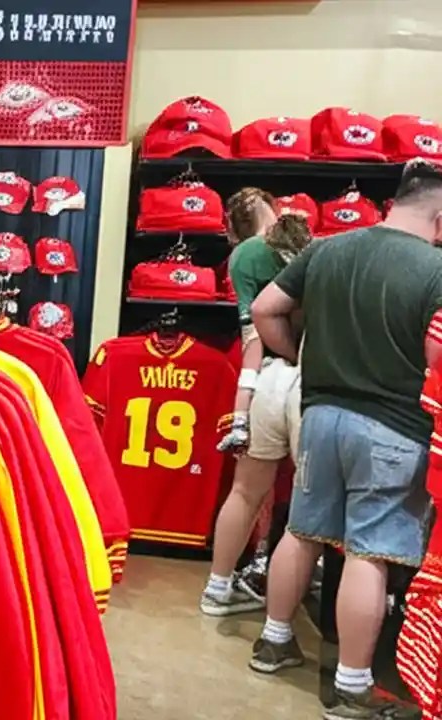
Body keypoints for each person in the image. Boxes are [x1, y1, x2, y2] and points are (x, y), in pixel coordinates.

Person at [250, 158, 442, 719]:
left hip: (320, 415)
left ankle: (274, 641)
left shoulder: (327, 249)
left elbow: (264, 309)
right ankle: (353, 687)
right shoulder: (436, 269)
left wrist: (297, 355)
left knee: (302, 531)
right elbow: (436, 356)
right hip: (393, 426)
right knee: (369, 552)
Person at [202, 190, 314, 617]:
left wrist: (241, 410)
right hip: (312, 377)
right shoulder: (313, 244)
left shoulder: (243, 256)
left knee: (246, 491)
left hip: (265, 376)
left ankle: (218, 587)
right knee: (309, 501)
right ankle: (282, 617)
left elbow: (253, 333)